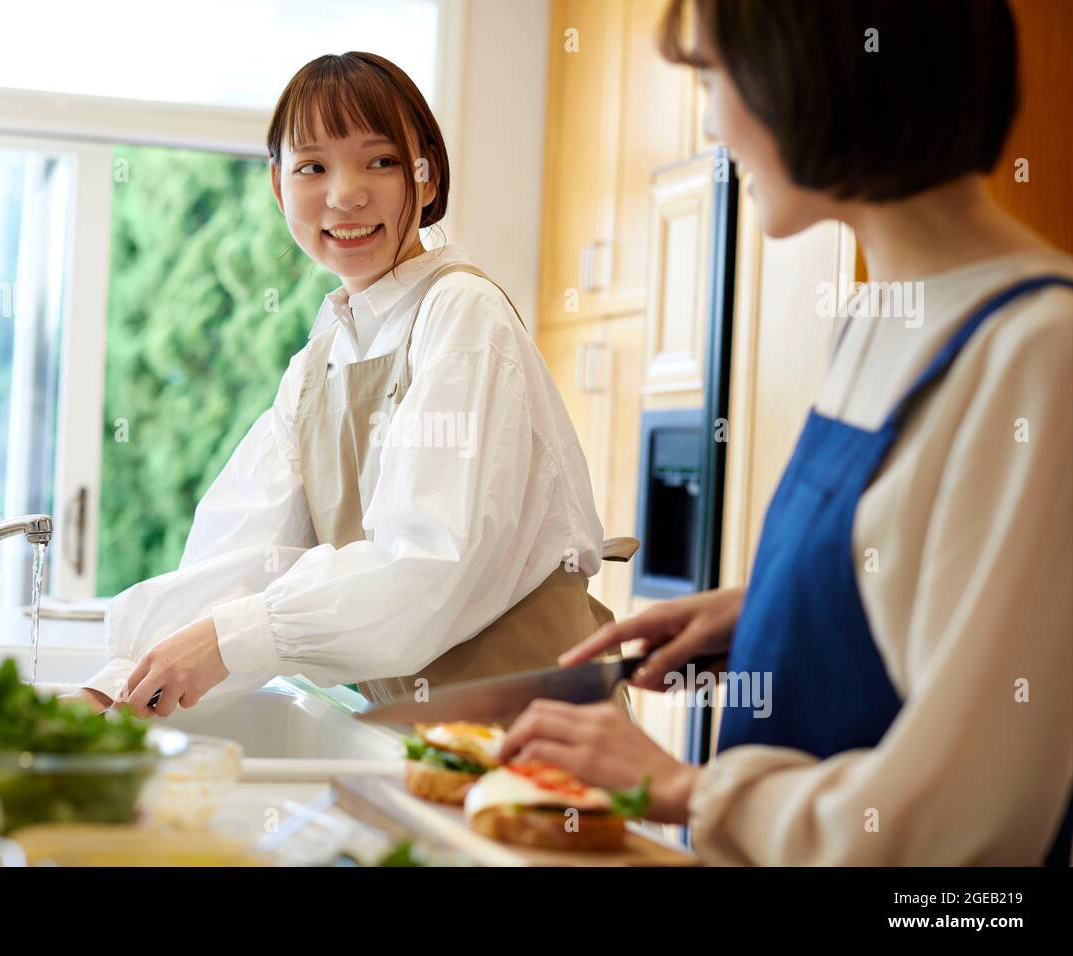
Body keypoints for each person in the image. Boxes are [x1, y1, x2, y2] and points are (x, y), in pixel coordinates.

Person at [499, 0, 1073, 866]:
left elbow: (967, 826)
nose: (707, 118)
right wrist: (769, 613)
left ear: (813, 73)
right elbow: (918, 592)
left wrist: (685, 786)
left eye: (712, 76)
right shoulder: (878, 317)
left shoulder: (1040, 353)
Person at [77, 52, 614, 718]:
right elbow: (244, 555)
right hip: (418, 740)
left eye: (380, 161)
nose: (345, 194)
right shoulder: (318, 362)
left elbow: (425, 566)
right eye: (313, 167)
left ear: (427, 174)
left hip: (531, 738)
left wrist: (226, 638)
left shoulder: (461, 315)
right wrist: (120, 680)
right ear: (279, 187)